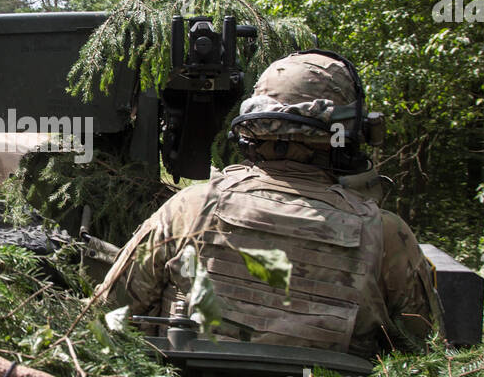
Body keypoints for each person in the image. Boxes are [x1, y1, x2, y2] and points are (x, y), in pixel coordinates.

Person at [94, 50, 441, 361]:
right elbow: (425, 358)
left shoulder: (190, 208)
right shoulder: (386, 235)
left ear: (253, 127)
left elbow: (108, 318)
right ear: (347, 132)